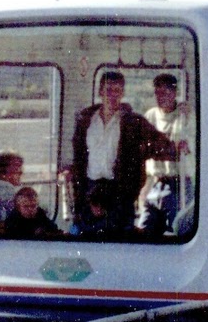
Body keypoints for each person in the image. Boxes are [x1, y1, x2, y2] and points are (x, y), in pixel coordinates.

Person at [65, 71, 185, 233]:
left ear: (122, 93)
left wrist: (177, 148)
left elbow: (159, 145)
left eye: (117, 91)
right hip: (90, 191)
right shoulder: (85, 121)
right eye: (108, 90)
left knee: (119, 240)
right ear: (100, 92)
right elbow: (78, 156)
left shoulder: (133, 123)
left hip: (119, 192)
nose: (113, 95)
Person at [137, 73, 193, 233]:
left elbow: (191, 146)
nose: (161, 97)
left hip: (179, 183)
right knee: (144, 230)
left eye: (166, 93)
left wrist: (187, 120)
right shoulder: (150, 116)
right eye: (158, 93)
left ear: (174, 93)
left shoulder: (185, 116)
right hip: (155, 183)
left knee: (175, 230)